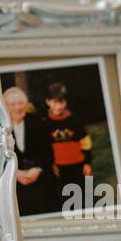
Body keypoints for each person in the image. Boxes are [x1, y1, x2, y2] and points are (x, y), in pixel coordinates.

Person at [2, 85, 53, 218]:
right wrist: (15, 173)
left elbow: (48, 153)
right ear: (5, 106)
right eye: (13, 104)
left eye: (21, 103)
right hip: (12, 185)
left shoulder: (38, 123)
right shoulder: (0, 129)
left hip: (39, 181)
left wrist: (38, 169)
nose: (18, 107)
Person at [44, 81, 92, 211]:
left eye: (62, 102)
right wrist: (51, 164)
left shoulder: (74, 120)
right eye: (55, 102)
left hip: (78, 164)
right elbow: (45, 147)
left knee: (83, 195)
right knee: (64, 196)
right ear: (48, 102)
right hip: (59, 167)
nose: (59, 106)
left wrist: (87, 162)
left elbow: (85, 141)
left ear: (66, 102)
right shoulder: (45, 122)